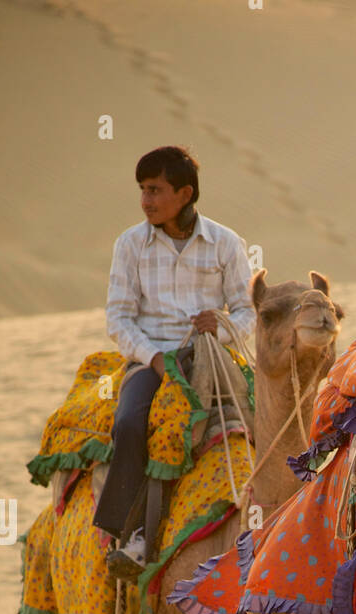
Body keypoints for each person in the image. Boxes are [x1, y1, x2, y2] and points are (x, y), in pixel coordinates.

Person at [94, 145, 254, 578]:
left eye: (154, 190)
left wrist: (220, 326)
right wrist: (154, 359)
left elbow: (247, 310)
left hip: (212, 359)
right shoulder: (130, 245)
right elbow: (119, 319)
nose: (145, 200)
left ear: (184, 194)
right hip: (151, 361)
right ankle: (130, 536)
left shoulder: (226, 242)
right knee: (131, 423)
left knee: (264, 423)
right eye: (142, 190)